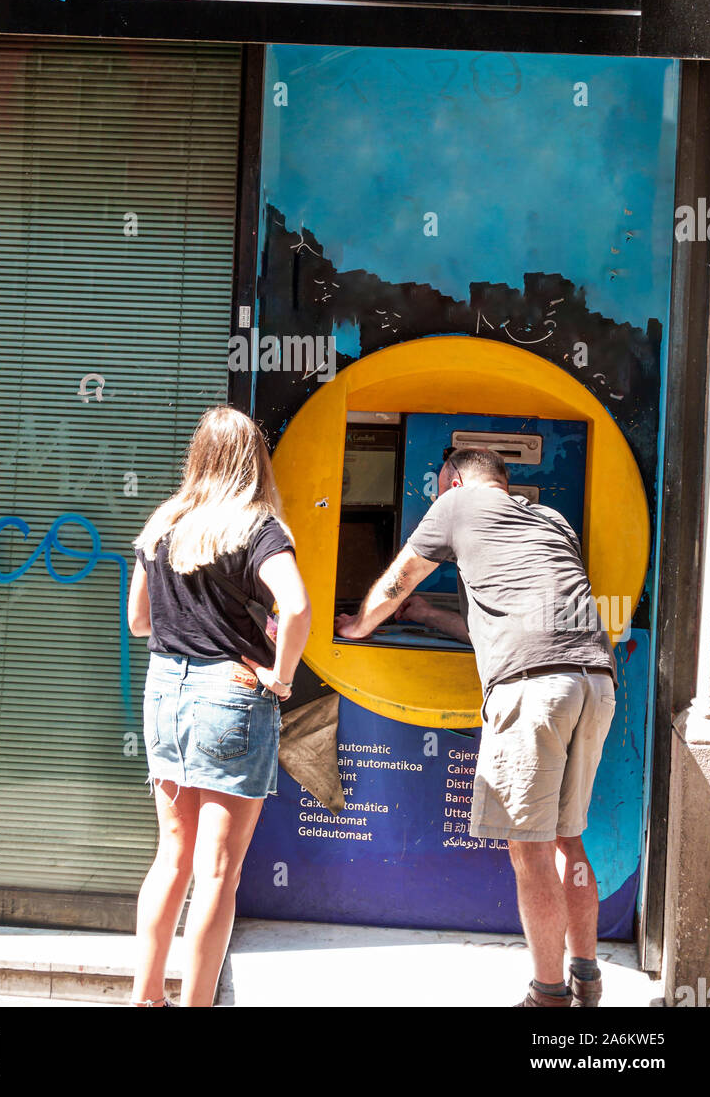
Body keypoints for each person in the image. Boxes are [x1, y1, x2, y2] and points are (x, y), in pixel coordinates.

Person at [335, 446, 617, 1008]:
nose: (437, 493)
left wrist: (360, 624)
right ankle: (586, 975)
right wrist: (428, 617)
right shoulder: (551, 521)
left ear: (456, 478)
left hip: (531, 691)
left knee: (529, 851)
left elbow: (399, 579)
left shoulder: (457, 503)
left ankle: (549, 995)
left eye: (440, 484)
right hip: (592, 680)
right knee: (568, 838)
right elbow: (504, 620)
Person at [127, 405, 311, 1007]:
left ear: (197, 457)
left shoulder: (162, 524)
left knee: (171, 859)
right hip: (230, 694)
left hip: (164, 689)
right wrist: (281, 679)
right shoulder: (256, 527)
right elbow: (298, 608)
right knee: (216, 874)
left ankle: (146, 997)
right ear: (253, 458)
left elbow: (137, 622)